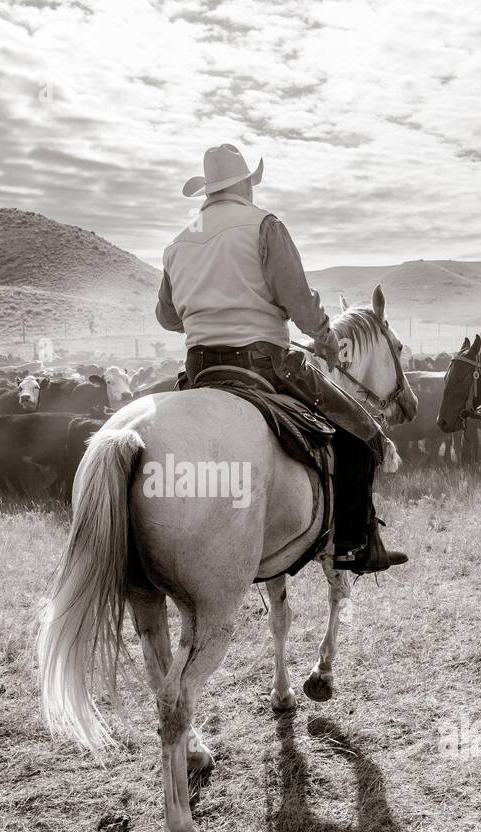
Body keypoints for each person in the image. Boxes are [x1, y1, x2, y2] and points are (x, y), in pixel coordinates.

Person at [155, 144, 406, 573]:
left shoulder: (179, 241)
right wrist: (325, 339)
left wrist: (207, 313)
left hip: (200, 369)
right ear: (244, 183)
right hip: (264, 364)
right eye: (251, 182)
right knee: (362, 432)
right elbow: (299, 304)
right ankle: (352, 544)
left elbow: (166, 315)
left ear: (210, 189)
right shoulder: (264, 225)